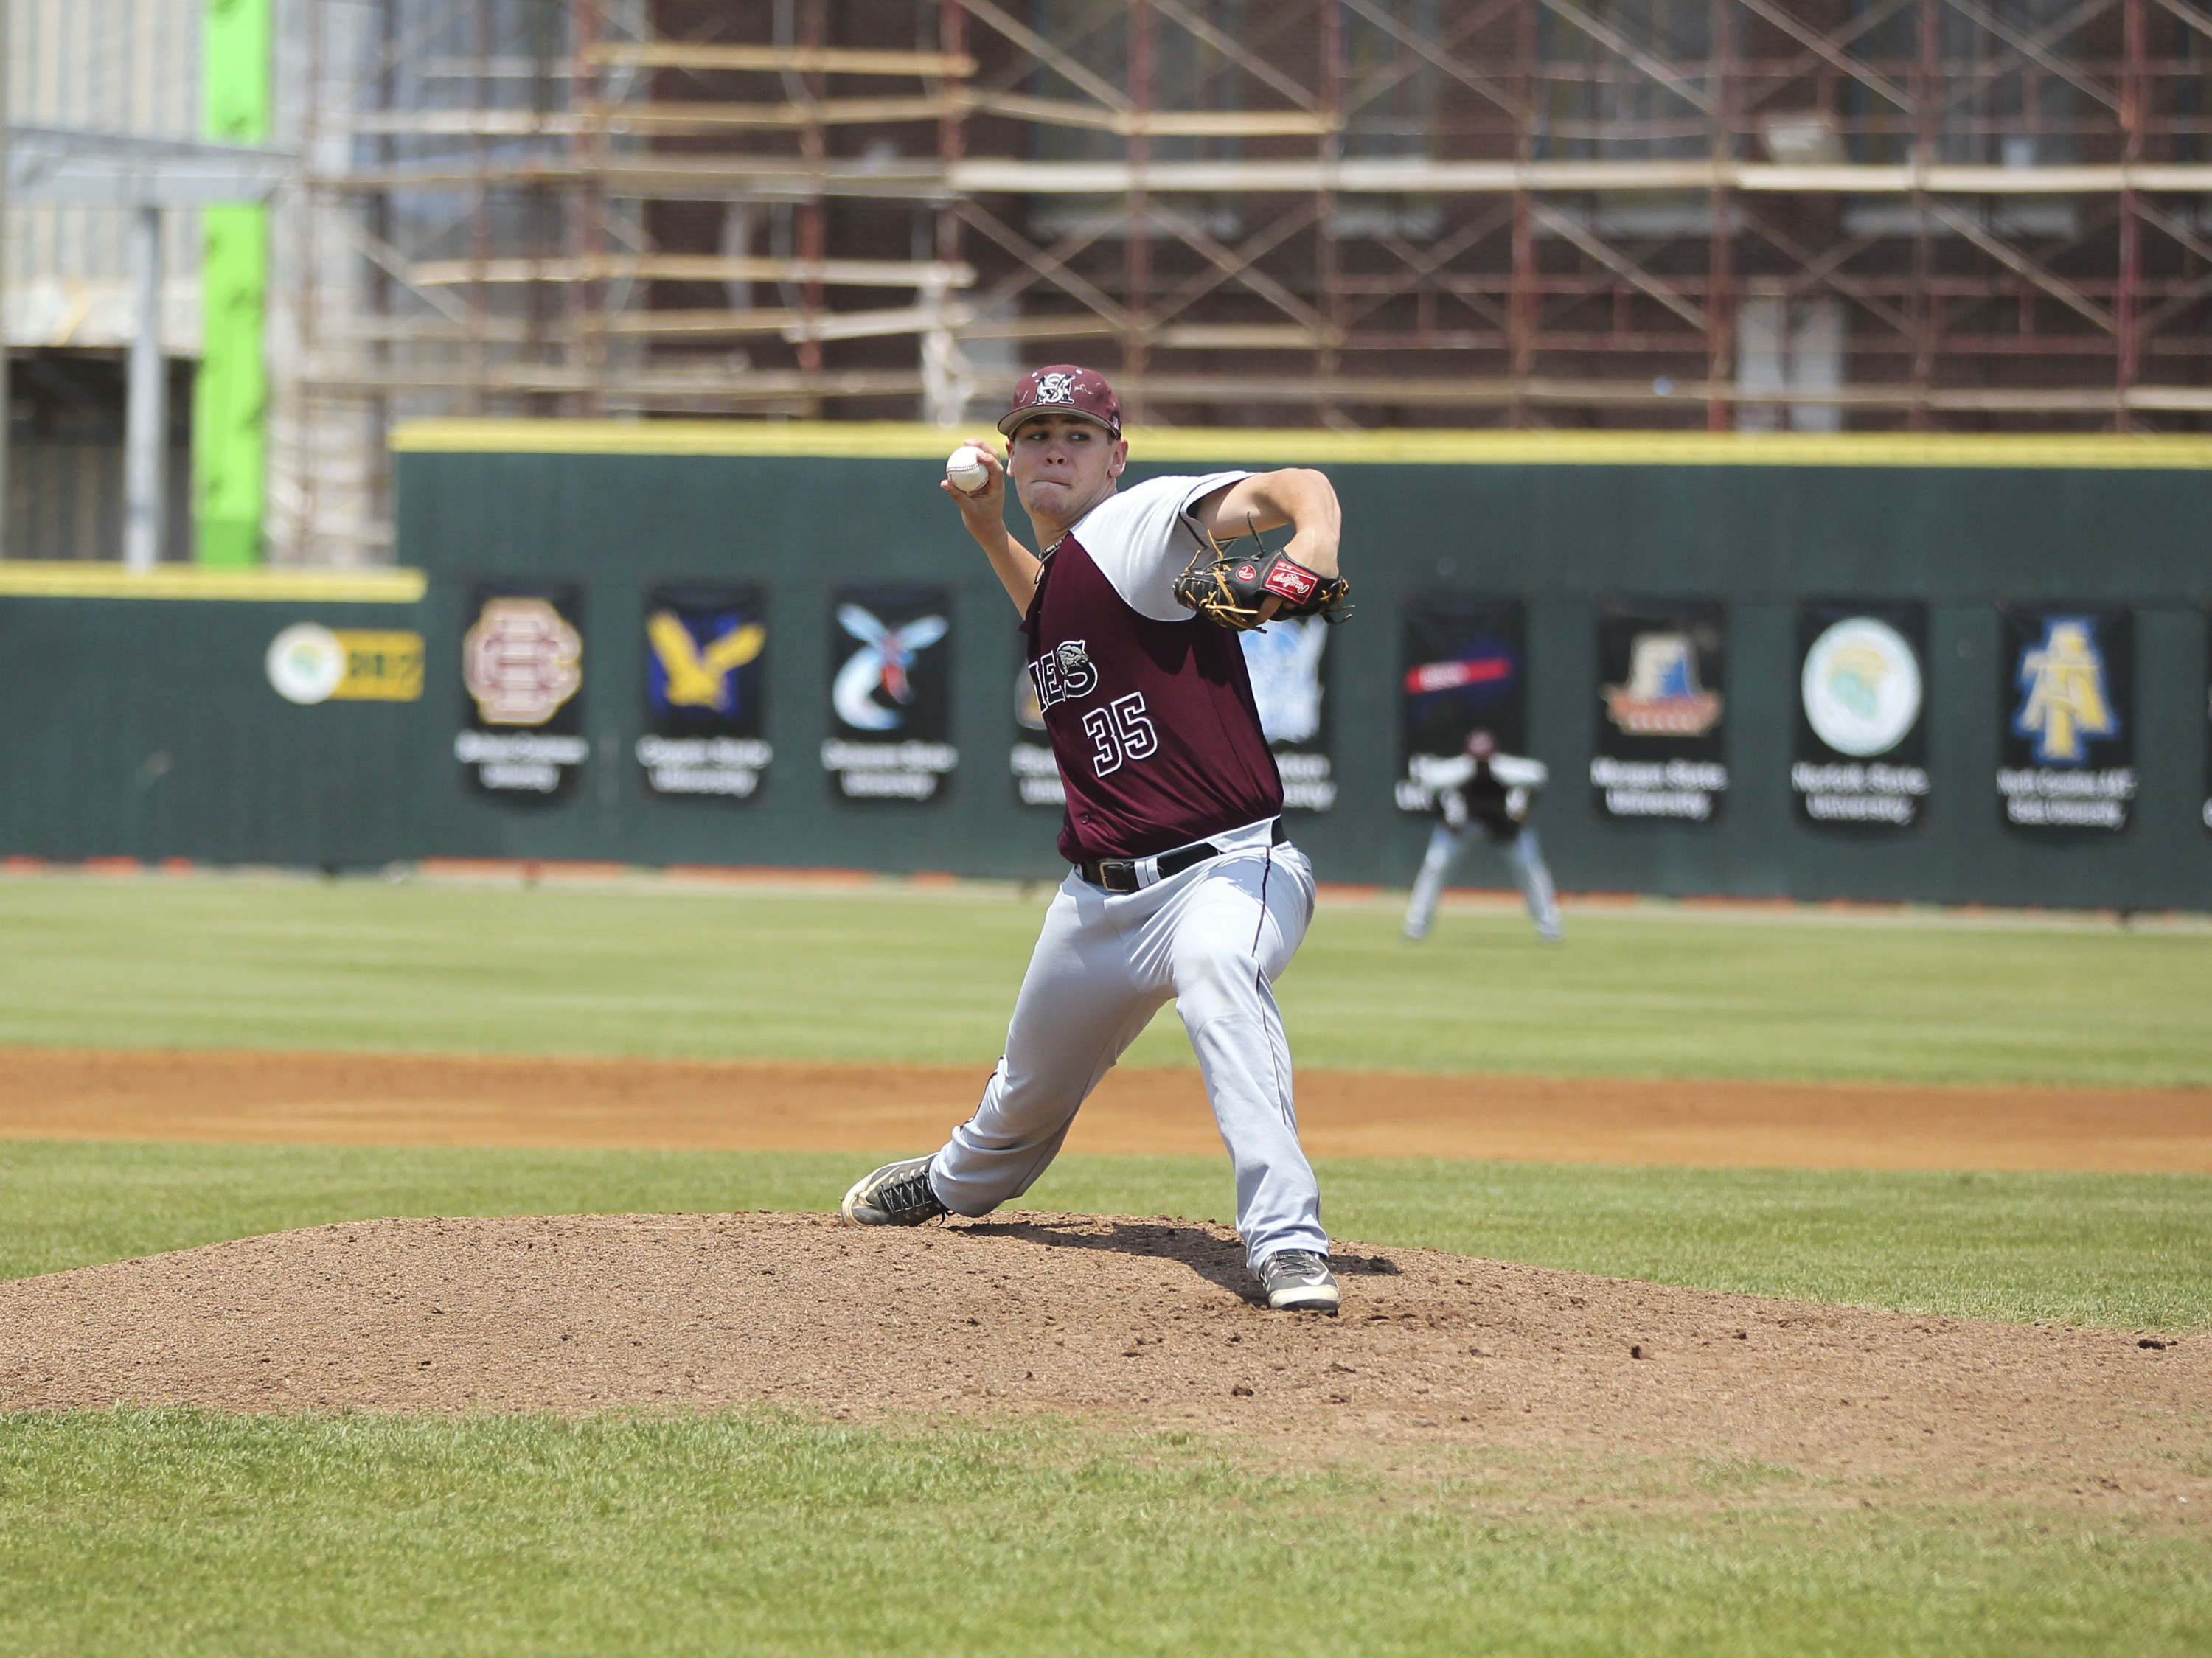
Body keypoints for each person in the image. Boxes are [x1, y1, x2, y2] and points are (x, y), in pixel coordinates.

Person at [840, 364, 1348, 1314]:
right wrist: (989, 532)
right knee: (1020, 1099)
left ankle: (1286, 1240)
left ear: (1117, 457)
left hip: (1230, 867)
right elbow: (1051, 613)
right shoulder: (1076, 568)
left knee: (1216, 974)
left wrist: (1311, 540)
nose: (1055, 448)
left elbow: (1297, 487)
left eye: (1078, 434)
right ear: (1010, 452)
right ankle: (953, 1182)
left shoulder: (1142, 520)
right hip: (1100, 901)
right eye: (1035, 434)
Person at [1402, 729, 1563, 943]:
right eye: (1476, 760)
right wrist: (1451, 807)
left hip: (1505, 827)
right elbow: (1430, 779)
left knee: (1530, 867)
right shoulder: (1457, 771)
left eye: (1485, 759)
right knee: (1435, 865)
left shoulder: (1508, 770)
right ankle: (1416, 927)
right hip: (1464, 826)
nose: (1480, 765)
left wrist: (1518, 805)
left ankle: (1550, 927)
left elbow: (1539, 774)